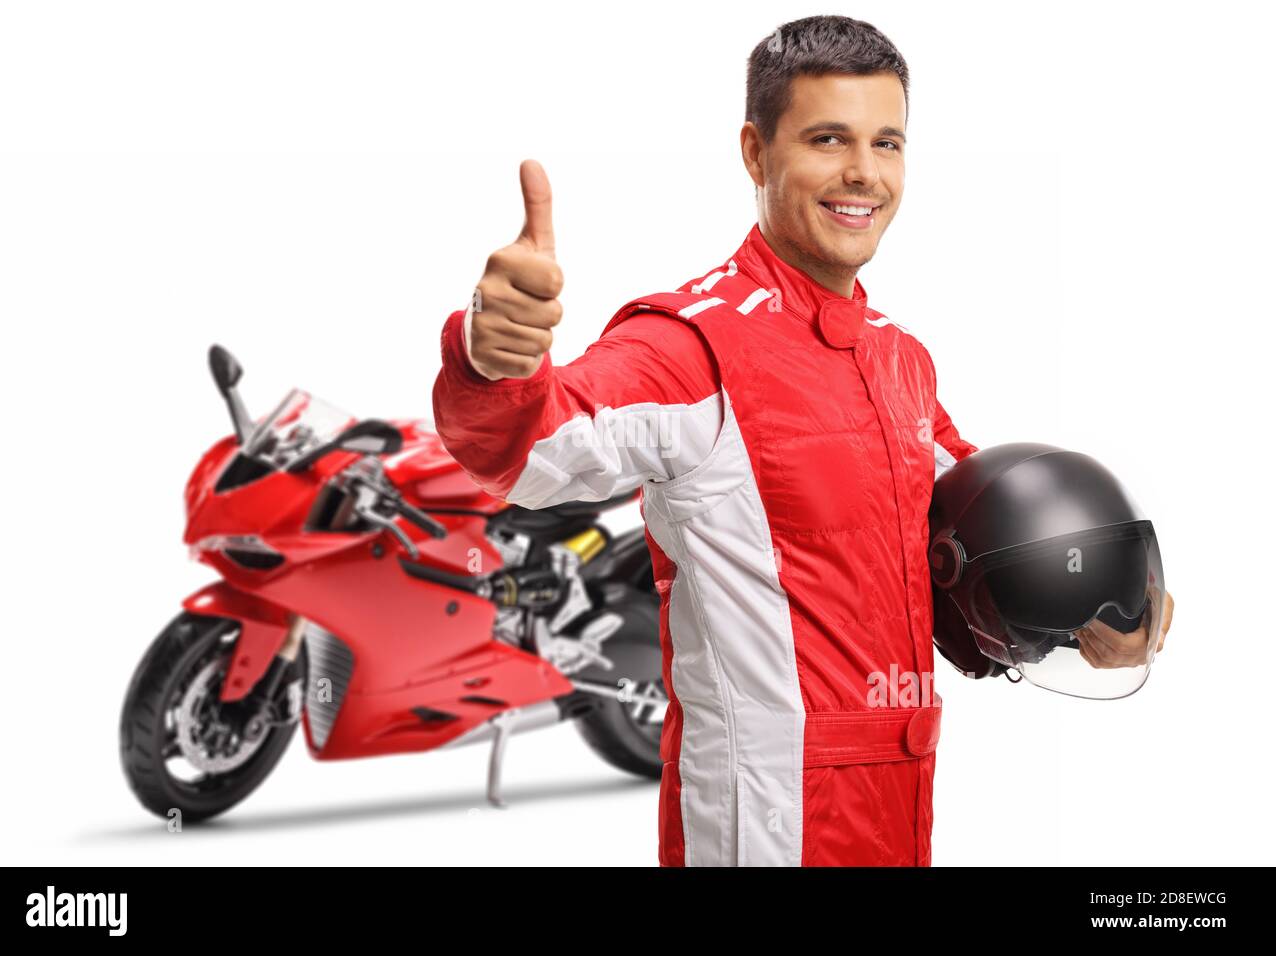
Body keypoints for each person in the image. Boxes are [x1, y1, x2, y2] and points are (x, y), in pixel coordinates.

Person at [431, 15, 1172, 866]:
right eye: (829, 138)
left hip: (900, 799)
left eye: (887, 142)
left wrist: (1093, 616)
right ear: (755, 152)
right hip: (766, 820)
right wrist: (493, 355)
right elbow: (528, 453)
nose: (864, 172)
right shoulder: (689, 345)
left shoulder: (901, 360)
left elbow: (969, 548)